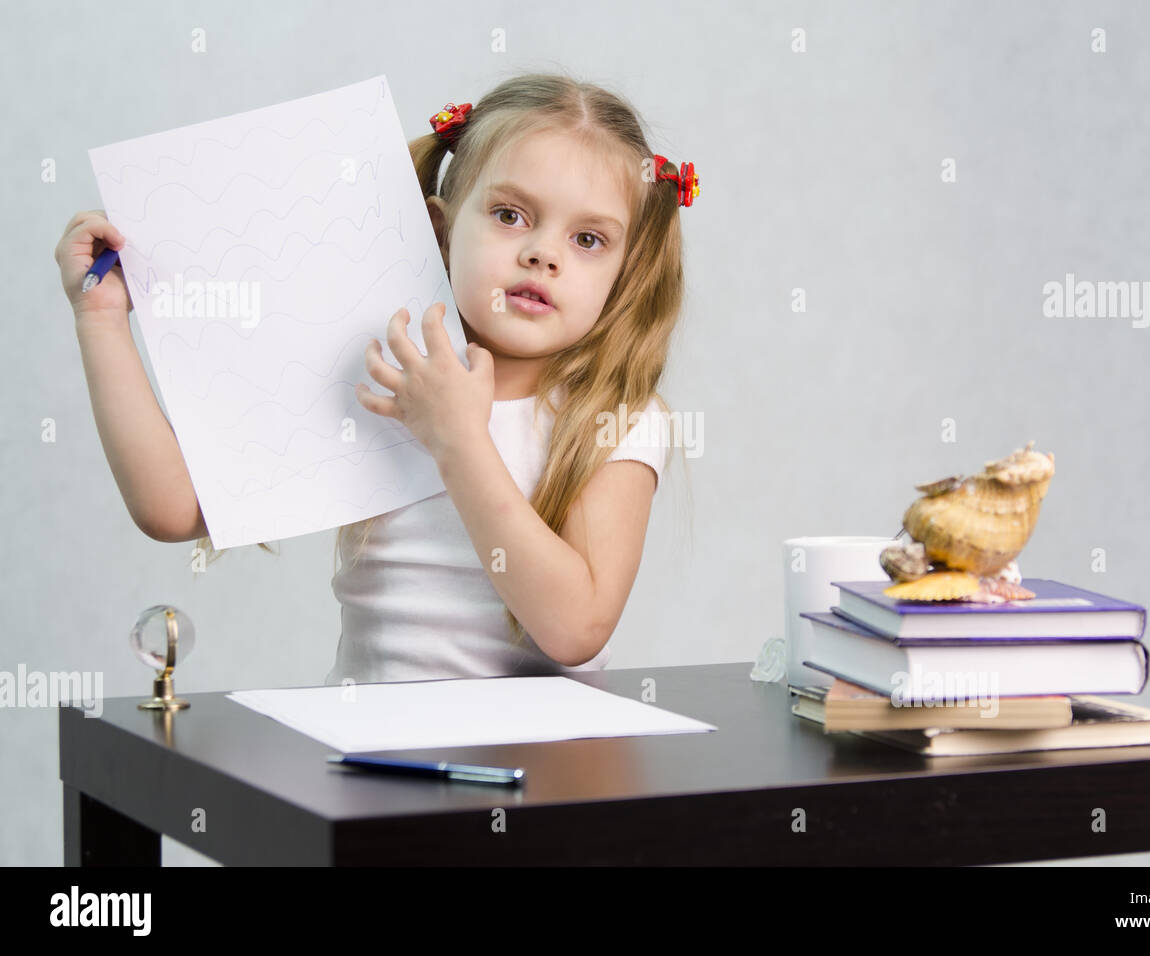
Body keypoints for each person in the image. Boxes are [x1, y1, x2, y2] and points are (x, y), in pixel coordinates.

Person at [55, 70, 699, 684]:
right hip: (374, 757)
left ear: (625, 273)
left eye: (588, 239)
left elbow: (575, 629)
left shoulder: (617, 420)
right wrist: (102, 320)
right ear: (441, 233)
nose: (543, 253)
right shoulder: (388, 379)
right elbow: (176, 509)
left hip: (545, 768)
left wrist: (459, 442)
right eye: (510, 215)